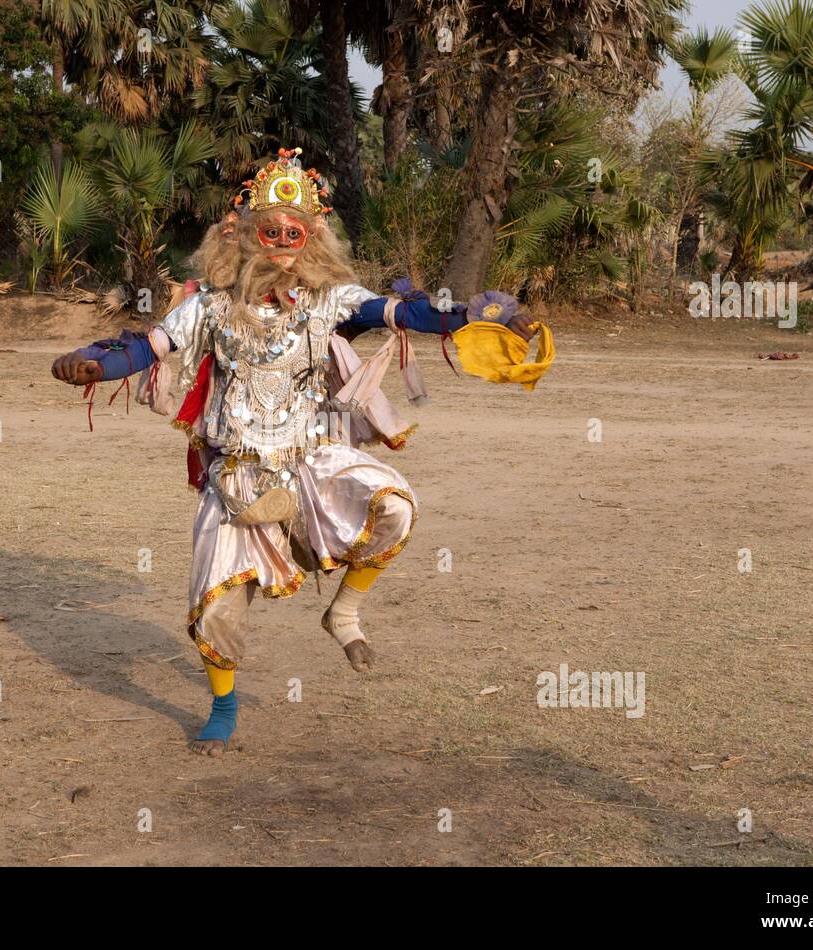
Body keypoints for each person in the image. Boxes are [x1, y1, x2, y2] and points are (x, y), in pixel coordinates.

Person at [50, 147, 553, 757]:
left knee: (394, 507)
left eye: (296, 233)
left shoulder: (329, 302)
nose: (283, 243)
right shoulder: (206, 307)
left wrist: (483, 316)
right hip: (236, 478)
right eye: (272, 231)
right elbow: (144, 349)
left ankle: (342, 616)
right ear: (240, 235)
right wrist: (90, 365)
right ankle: (224, 705)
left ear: (312, 239)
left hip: (308, 464)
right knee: (217, 607)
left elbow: (406, 312)